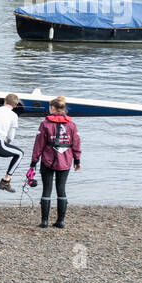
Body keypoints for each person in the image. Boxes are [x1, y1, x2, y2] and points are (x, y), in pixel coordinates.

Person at [30, 95, 81, 228]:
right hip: (65, 161)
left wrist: (33, 162)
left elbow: (39, 144)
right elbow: (76, 143)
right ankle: (61, 221)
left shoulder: (45, 124)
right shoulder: (72, 124)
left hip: (48, 160)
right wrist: (77, 160)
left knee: (46, 190)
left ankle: (44, 221)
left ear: (52, 108)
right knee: (61, 189)